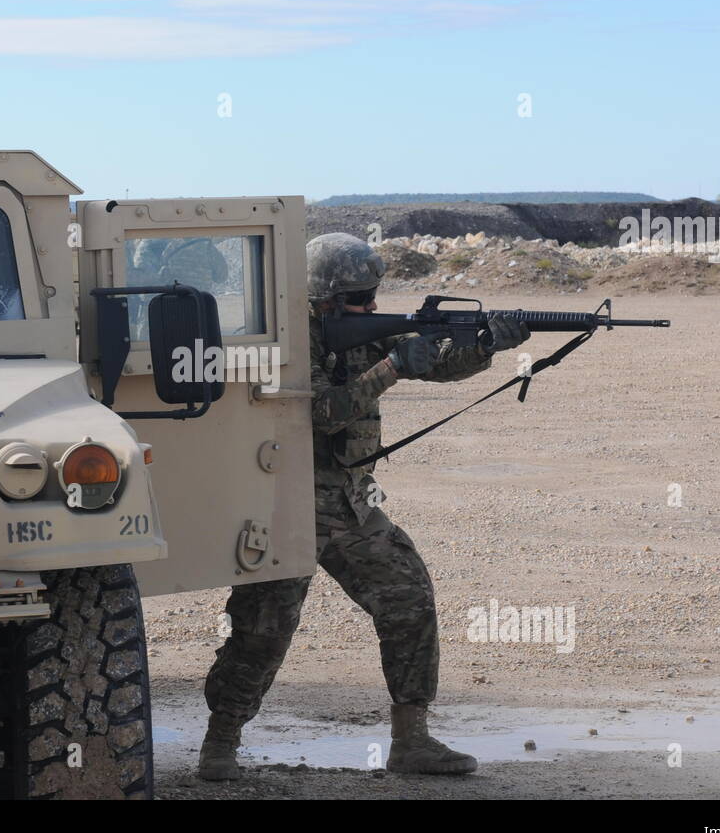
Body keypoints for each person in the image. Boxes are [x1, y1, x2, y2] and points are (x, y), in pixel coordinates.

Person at [198, 232, 530, 781]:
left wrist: (485, 346)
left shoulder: (357, 329)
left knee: (409, 600)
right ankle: (219, 746)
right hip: (286, 509)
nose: (371, 307)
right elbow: (324, 412)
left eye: (372, 294)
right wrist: (392, 367)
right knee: (263, 630)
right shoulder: (287, 340)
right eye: (359, 297)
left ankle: (412, 740)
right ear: (325, 298)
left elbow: (436, 363)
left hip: (349, 505)